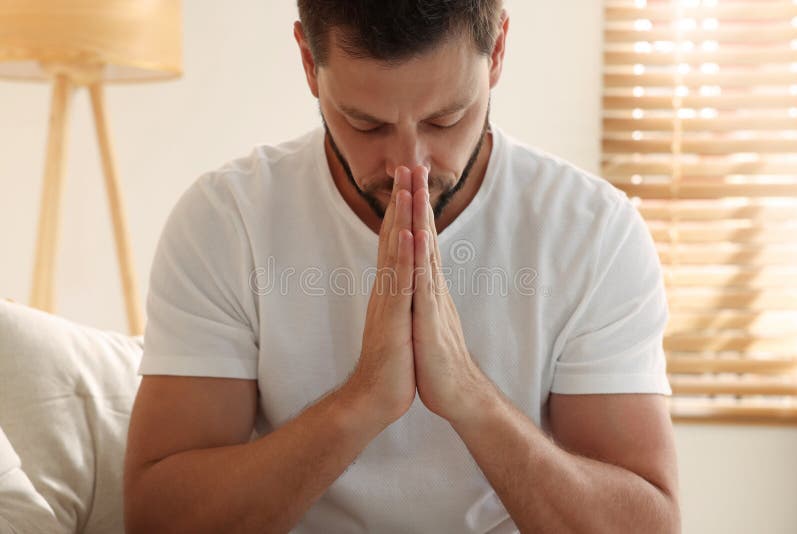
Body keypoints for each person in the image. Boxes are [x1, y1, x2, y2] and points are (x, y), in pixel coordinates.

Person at [123, 1, 681, 533]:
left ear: (498, 51)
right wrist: (364, 399)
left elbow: (649, 525)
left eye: (445, 119)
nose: (408, 166)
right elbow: (156, 519)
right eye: (366, 125)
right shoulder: (229, 221)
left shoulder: (593, 233)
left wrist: (466, 393)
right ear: (309, 63)